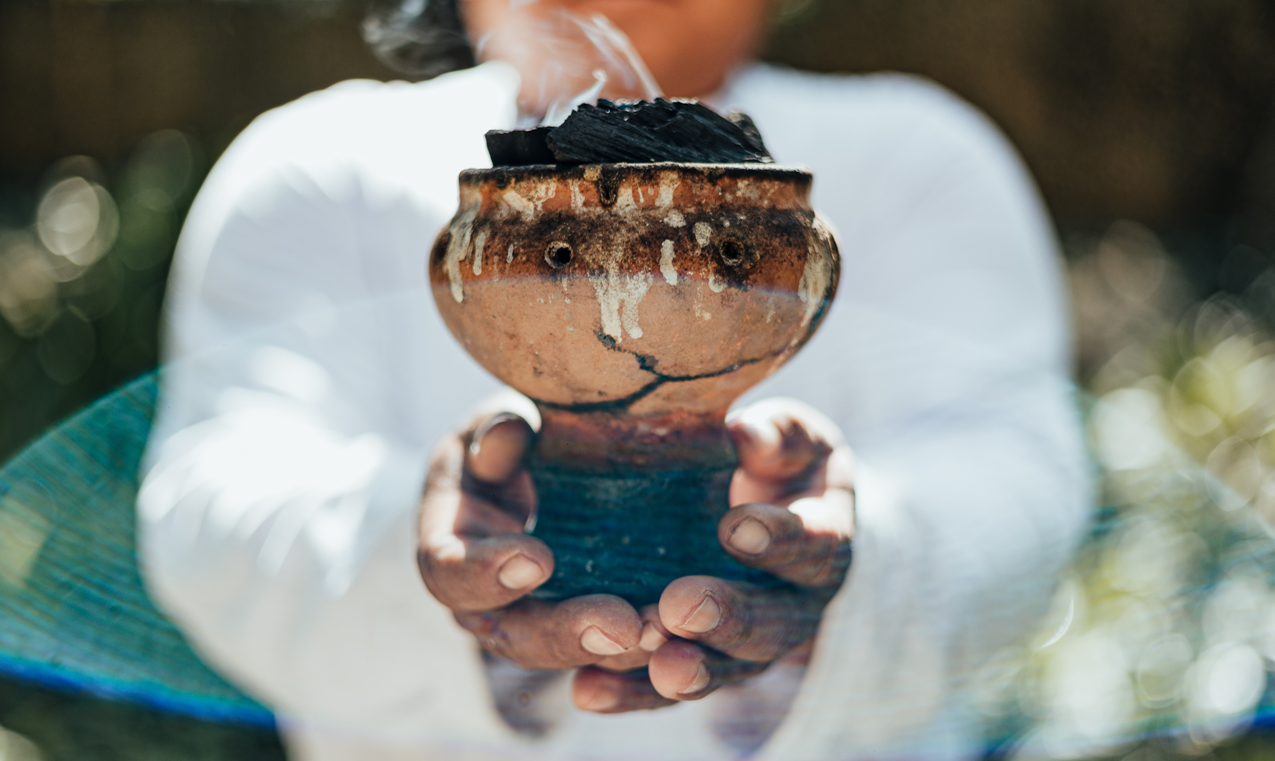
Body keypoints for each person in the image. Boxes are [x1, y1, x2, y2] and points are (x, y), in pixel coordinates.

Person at [136, 0, 1091, 758]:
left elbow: (1017, 485)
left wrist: (847, 565)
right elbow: (212, 513)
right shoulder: (317, 169)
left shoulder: (918, 156)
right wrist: (433, 554)